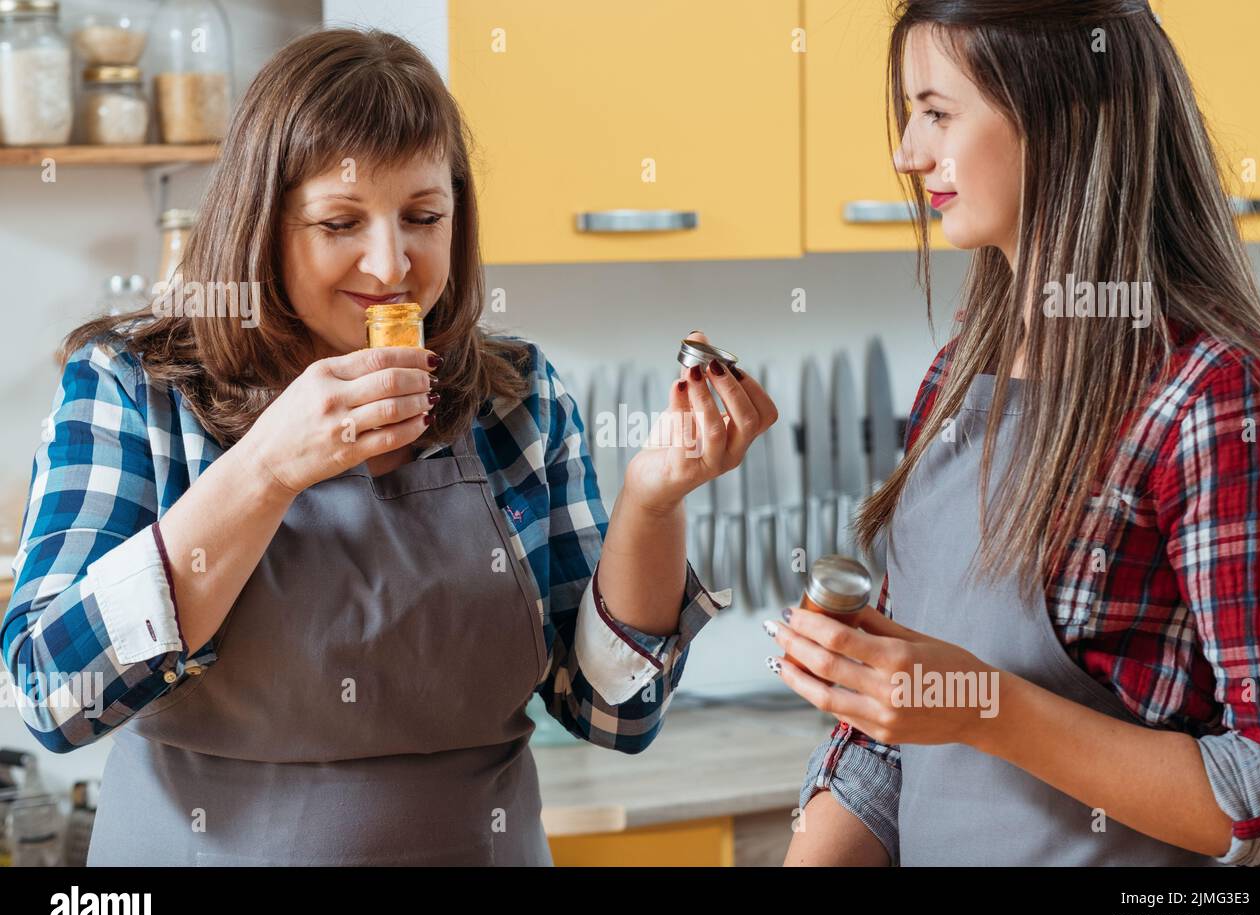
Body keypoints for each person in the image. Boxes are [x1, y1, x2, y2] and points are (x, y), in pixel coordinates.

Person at [0, 28, 776, 866]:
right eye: (340, 221)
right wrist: (266, 469)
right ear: (263, 228)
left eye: (423, 216)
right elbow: (52, 691)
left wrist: (653, 503)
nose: (391, 262)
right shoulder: (135, 387)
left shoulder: (517, 396)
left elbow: (611, 712)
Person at [775, 0, 1260, 866]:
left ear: (1066, 115)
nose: (909, 153)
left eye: (938, 113)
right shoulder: (954, 383)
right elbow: (886, 746)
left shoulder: (1215, 403)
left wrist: (984, 705)